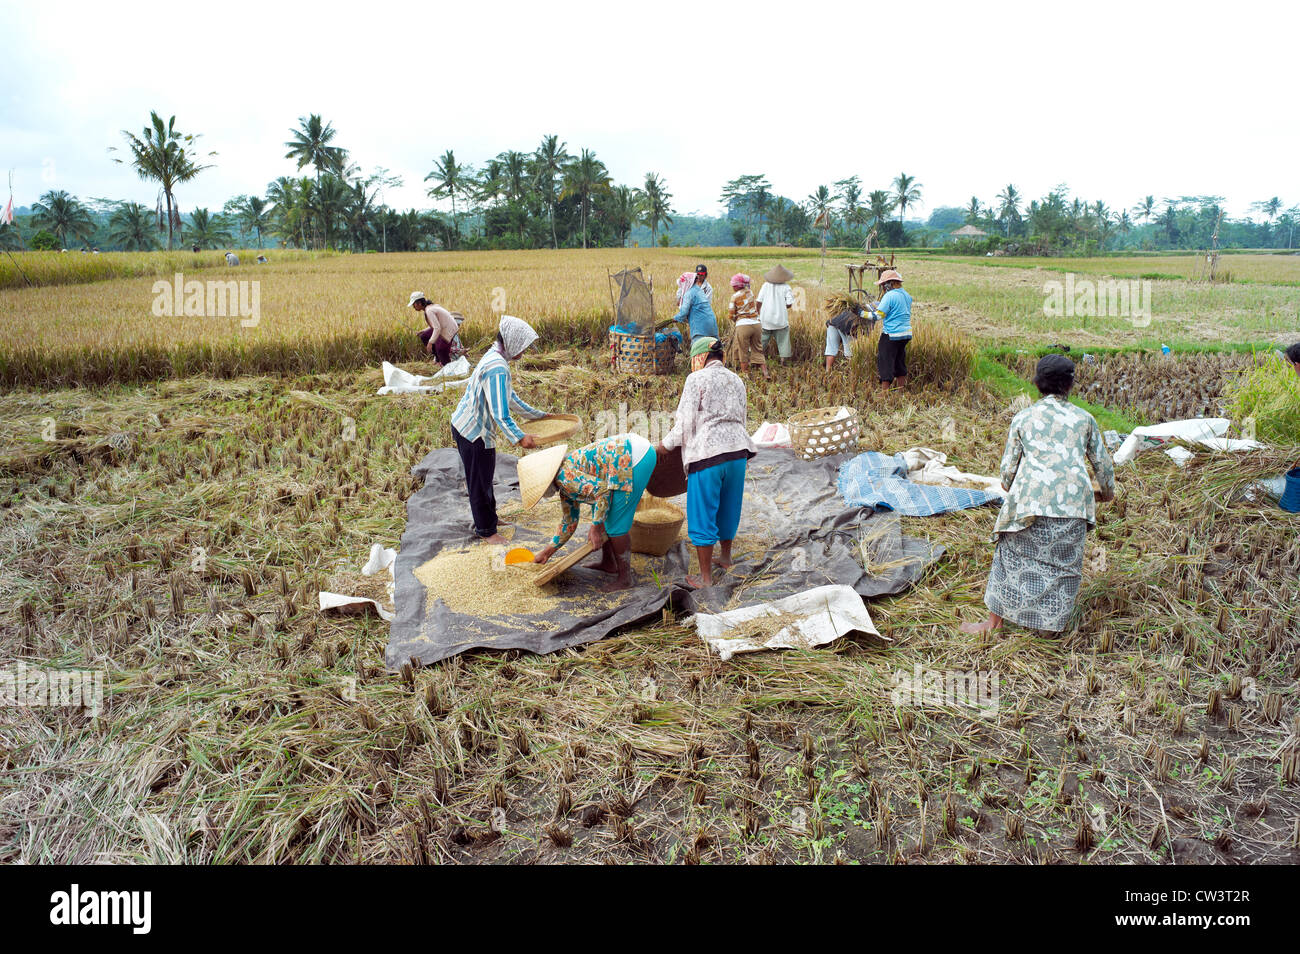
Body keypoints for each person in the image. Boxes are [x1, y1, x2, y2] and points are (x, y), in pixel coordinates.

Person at [961, 354, 1116, 637]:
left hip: (1028, 506)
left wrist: (1018, 487)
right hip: (1074, 507)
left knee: (1008, 558)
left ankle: (993, 624)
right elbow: (1103, 467)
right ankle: (1050, 630)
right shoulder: (1085, 419)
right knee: (1064, 568)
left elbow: (1007, 475)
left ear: (1038, 384)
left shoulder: (1023, 417)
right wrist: (1106, 494)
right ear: (1069, 385)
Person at [660, 336, 757, 588]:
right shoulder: (737, 380)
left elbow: (685, 422)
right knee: (729, 505)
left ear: (699, 358)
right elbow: (742, 417)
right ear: (721, 357)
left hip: (708, 454)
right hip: (737, 452)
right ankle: (725, 557)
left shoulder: (696, 379)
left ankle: (705, 578)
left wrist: (664, 445)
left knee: (703, 512)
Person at [448, 315, 550, 545]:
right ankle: (485, 530)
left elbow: (511, 399)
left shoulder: (496, 357)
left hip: (473, 427)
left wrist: (540, 416)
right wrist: (520, 438)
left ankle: (490, 519)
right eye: (522, 347)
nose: (524, 352)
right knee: (479, 480)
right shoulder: (497, 368)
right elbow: (500, 414)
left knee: (485, 476)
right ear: (512, 342)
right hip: (472, 431)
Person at [526, 435, 659, 592]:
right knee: (604, 513)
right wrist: (546, 553)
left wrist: (595, 527)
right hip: (629, 452)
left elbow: (603, 492)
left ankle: (625, 579)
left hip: (633, 458)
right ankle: (608, 563)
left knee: (616, 525)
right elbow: (569, 523)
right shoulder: (564, 483)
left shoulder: (565, 478)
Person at [870, 269, 911, 390]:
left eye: (883, 284)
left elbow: (878, 316)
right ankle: (901, 389)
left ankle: (884, 392)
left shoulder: (889, 296)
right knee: (899, 359)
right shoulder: (906, 295)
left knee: (885, 360)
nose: (883, 287)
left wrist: (860, 312)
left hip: (891, 334)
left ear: (889, 284)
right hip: (906, 334)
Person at [727, 273, 769, 380]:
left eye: (733, 285)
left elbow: (731, 314)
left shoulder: (734, 296)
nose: (732, 287)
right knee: (758, 348)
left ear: (737, 286)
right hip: (756, 324)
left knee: (743, 350)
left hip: (743, 325)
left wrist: (735, 319)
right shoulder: (750, 292)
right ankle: (765, 373)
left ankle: (745, 374)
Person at [408, 291, 461, 366]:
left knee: (441, 350)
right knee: (424, 335)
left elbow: (437, 328)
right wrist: (423, 331)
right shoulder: (430, 307)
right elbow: (436, 324)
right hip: (444, 326)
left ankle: (447, 367)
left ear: (419, 303)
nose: (413, 307)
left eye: (414, 305)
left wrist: (430, 342)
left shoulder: (429, 311)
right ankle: (438, 359)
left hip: (448, 329)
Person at [757, 264, 796, 364]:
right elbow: (789, 303)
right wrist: (782, 306)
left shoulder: (765, 285)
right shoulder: (786, 287)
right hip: (780, 320)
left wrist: (758, 315)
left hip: (765, 319)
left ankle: (756, 359)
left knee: (761, 341)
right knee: (783, 340)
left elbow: (759, 301)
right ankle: (783, 360)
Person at [671, 264, 718, 342]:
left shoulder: (689, 293)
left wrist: (676, 318)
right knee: (714, 347)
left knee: (698, 349)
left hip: (700, 326)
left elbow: (684, 312)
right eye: (698, 274)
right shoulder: (699, 290)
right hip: (712, 324)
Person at [824, 302, 870, 372]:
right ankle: (851, 373)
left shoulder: (859, 307)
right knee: (850, 352)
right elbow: (867, 332)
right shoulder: (872, 314)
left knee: (831, 349)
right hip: (847, 324)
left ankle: (827, 371)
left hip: (833, 321)